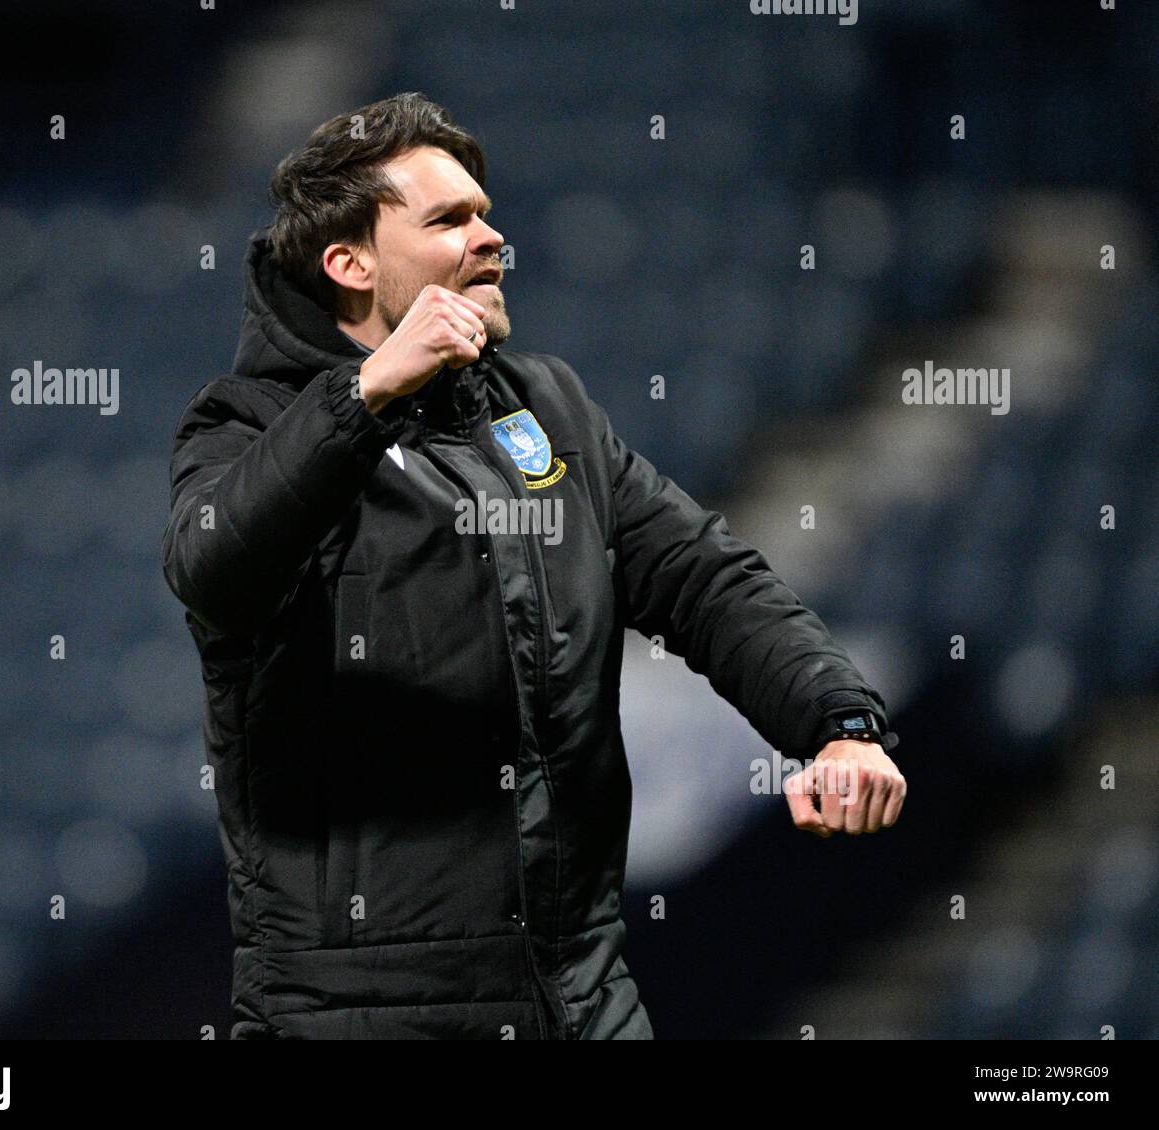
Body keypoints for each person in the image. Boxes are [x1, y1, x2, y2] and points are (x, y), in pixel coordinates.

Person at [161, 91, 905, 1040]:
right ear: (349, 263)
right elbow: (212, 565)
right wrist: (365, 396)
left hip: (579, 995)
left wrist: (836, 723)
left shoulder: (546, 408)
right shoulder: (247, 426)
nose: (491, 237)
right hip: (358, 1012)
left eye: (485, 211)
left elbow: (704, 579)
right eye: (449, 220)